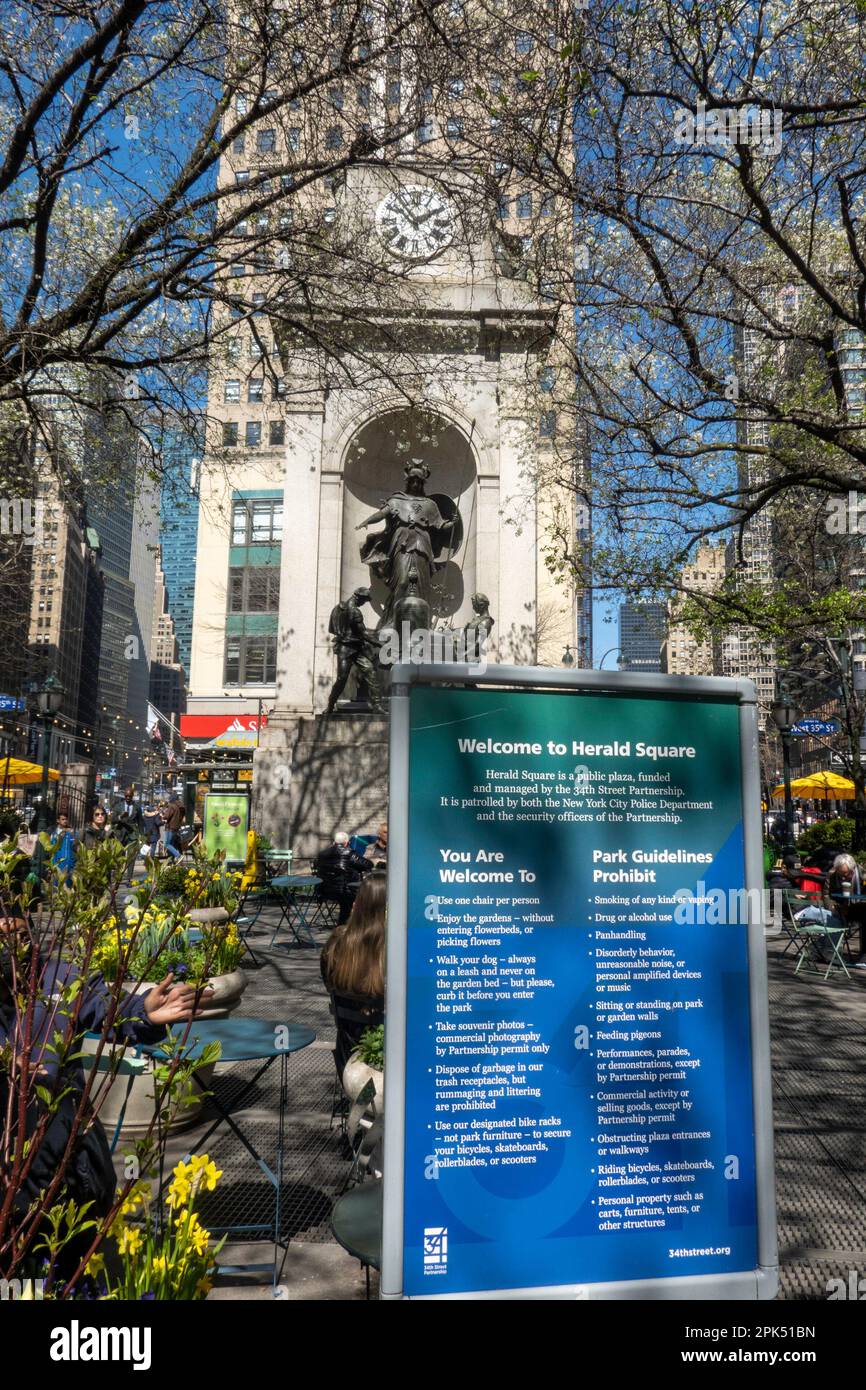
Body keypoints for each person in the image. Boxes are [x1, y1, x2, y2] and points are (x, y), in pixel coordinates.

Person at [0, 858, 213, 1283]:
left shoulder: (56, 980)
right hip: (10, 1172)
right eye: (5, 936)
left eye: (21, 931)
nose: (15, 946)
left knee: (71, 1271)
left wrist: (146, 1013)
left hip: (65, 1158)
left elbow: (104, 1004)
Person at [321, 871, 386, 1073]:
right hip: (391, 1058)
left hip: (349, 1057)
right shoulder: (400, 949)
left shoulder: (337, 943)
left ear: (357, 904)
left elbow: (327, 981)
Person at [314, 830, 372, 924]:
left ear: (334, 842)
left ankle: (345, 925)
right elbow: (368, 864)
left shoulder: (322, 854)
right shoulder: (349, 853)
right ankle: (352, 925)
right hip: (345, 892)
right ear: (346, 843)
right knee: (366, 893)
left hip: (325, 891)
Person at [161, 794, 186, 860]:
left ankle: (178, 855)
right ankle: (171, 860)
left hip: (170, 828)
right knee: (172, 844)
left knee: (167, 844)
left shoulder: (172, 806)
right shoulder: (181, 806)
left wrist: (162, 815)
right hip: (176, 828)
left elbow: (166, 816)